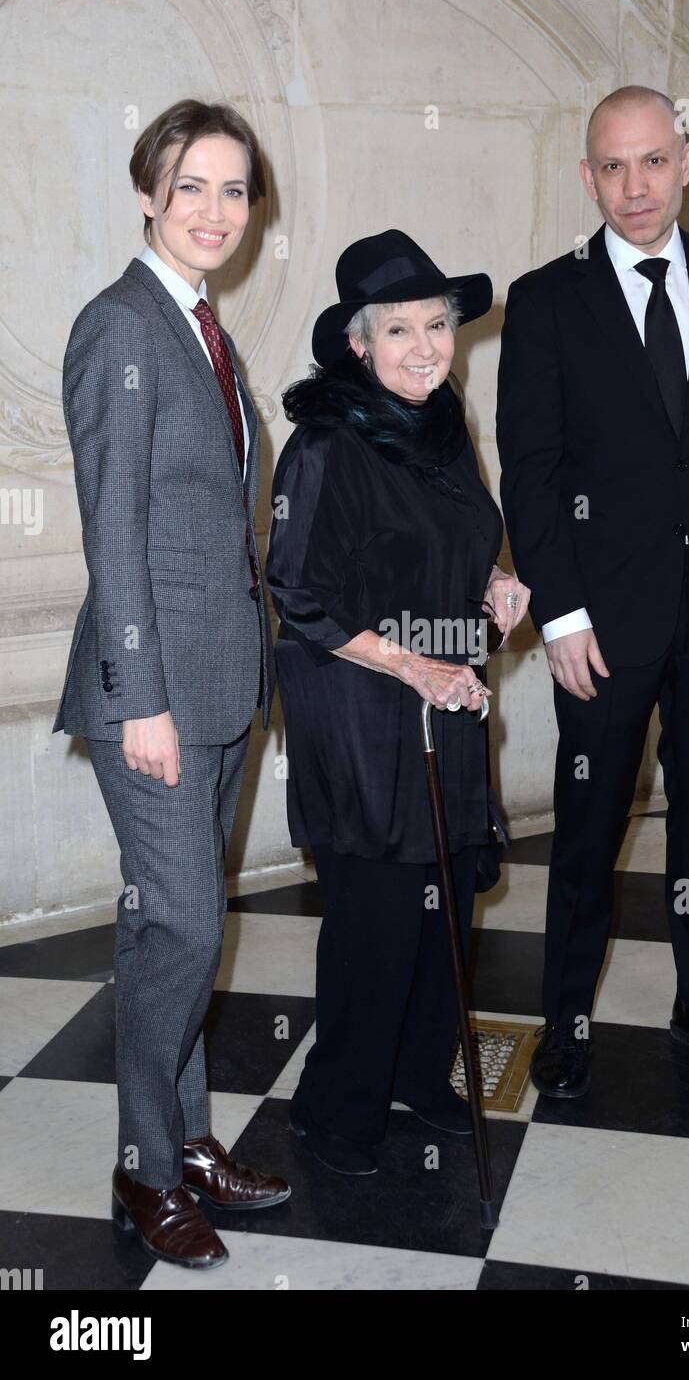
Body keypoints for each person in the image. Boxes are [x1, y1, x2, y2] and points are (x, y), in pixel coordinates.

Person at [497, 86, 689, 1097]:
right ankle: (567, 1015)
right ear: (585, 177)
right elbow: (529, 469)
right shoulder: (546, 299)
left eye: (651, 162)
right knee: (588, 827)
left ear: (686, 163)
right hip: (599, 620)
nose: (633, 186)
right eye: (611, 167)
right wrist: (560, 613)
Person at [53, 99, 288, 1268]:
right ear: (148, 192)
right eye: (191, 185)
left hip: (220, 684)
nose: (214, 210)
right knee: (186, 923)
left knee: (173, 933)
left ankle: (190, 1140)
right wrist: (139, 696)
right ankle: (147, 1166)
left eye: (234, 190)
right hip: (153, 696)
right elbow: (114, 531)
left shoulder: (204, 330)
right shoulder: (122, 328)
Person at [266, 229, 530, 1174]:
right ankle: (336, 1110)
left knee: (445, 907)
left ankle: (424, 1076)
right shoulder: (327, 445)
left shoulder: (441, 421)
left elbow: (452, 540)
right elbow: (298, 593)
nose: (424, 348)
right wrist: (412, 666)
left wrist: (496, 582)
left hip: (447, 702)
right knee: (378, 919)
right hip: (365, 717)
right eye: (399, 331)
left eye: (437, 326)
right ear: (357, 344)